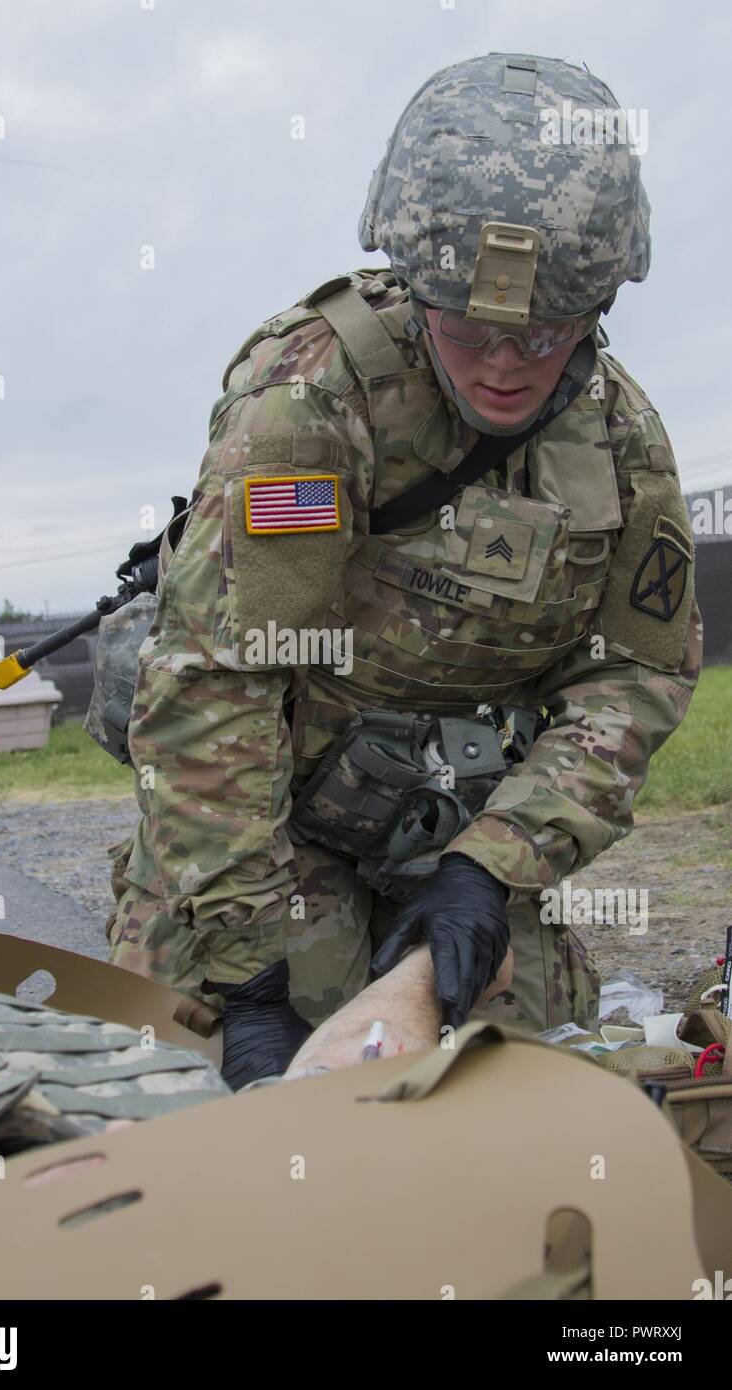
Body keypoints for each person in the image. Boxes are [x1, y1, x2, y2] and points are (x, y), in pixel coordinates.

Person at [106, 53, 701, 1091]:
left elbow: (634, 678)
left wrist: (493, 867)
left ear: (597, 307)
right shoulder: (314, 394)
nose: (504, 364)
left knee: (511, 1096)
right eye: (468, 328)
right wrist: (248, 976)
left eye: (544, 334)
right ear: (419, 291)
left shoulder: (621, 440)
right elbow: (214, 682)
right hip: (266, 823)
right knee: (200, 1094)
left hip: (461, 836)